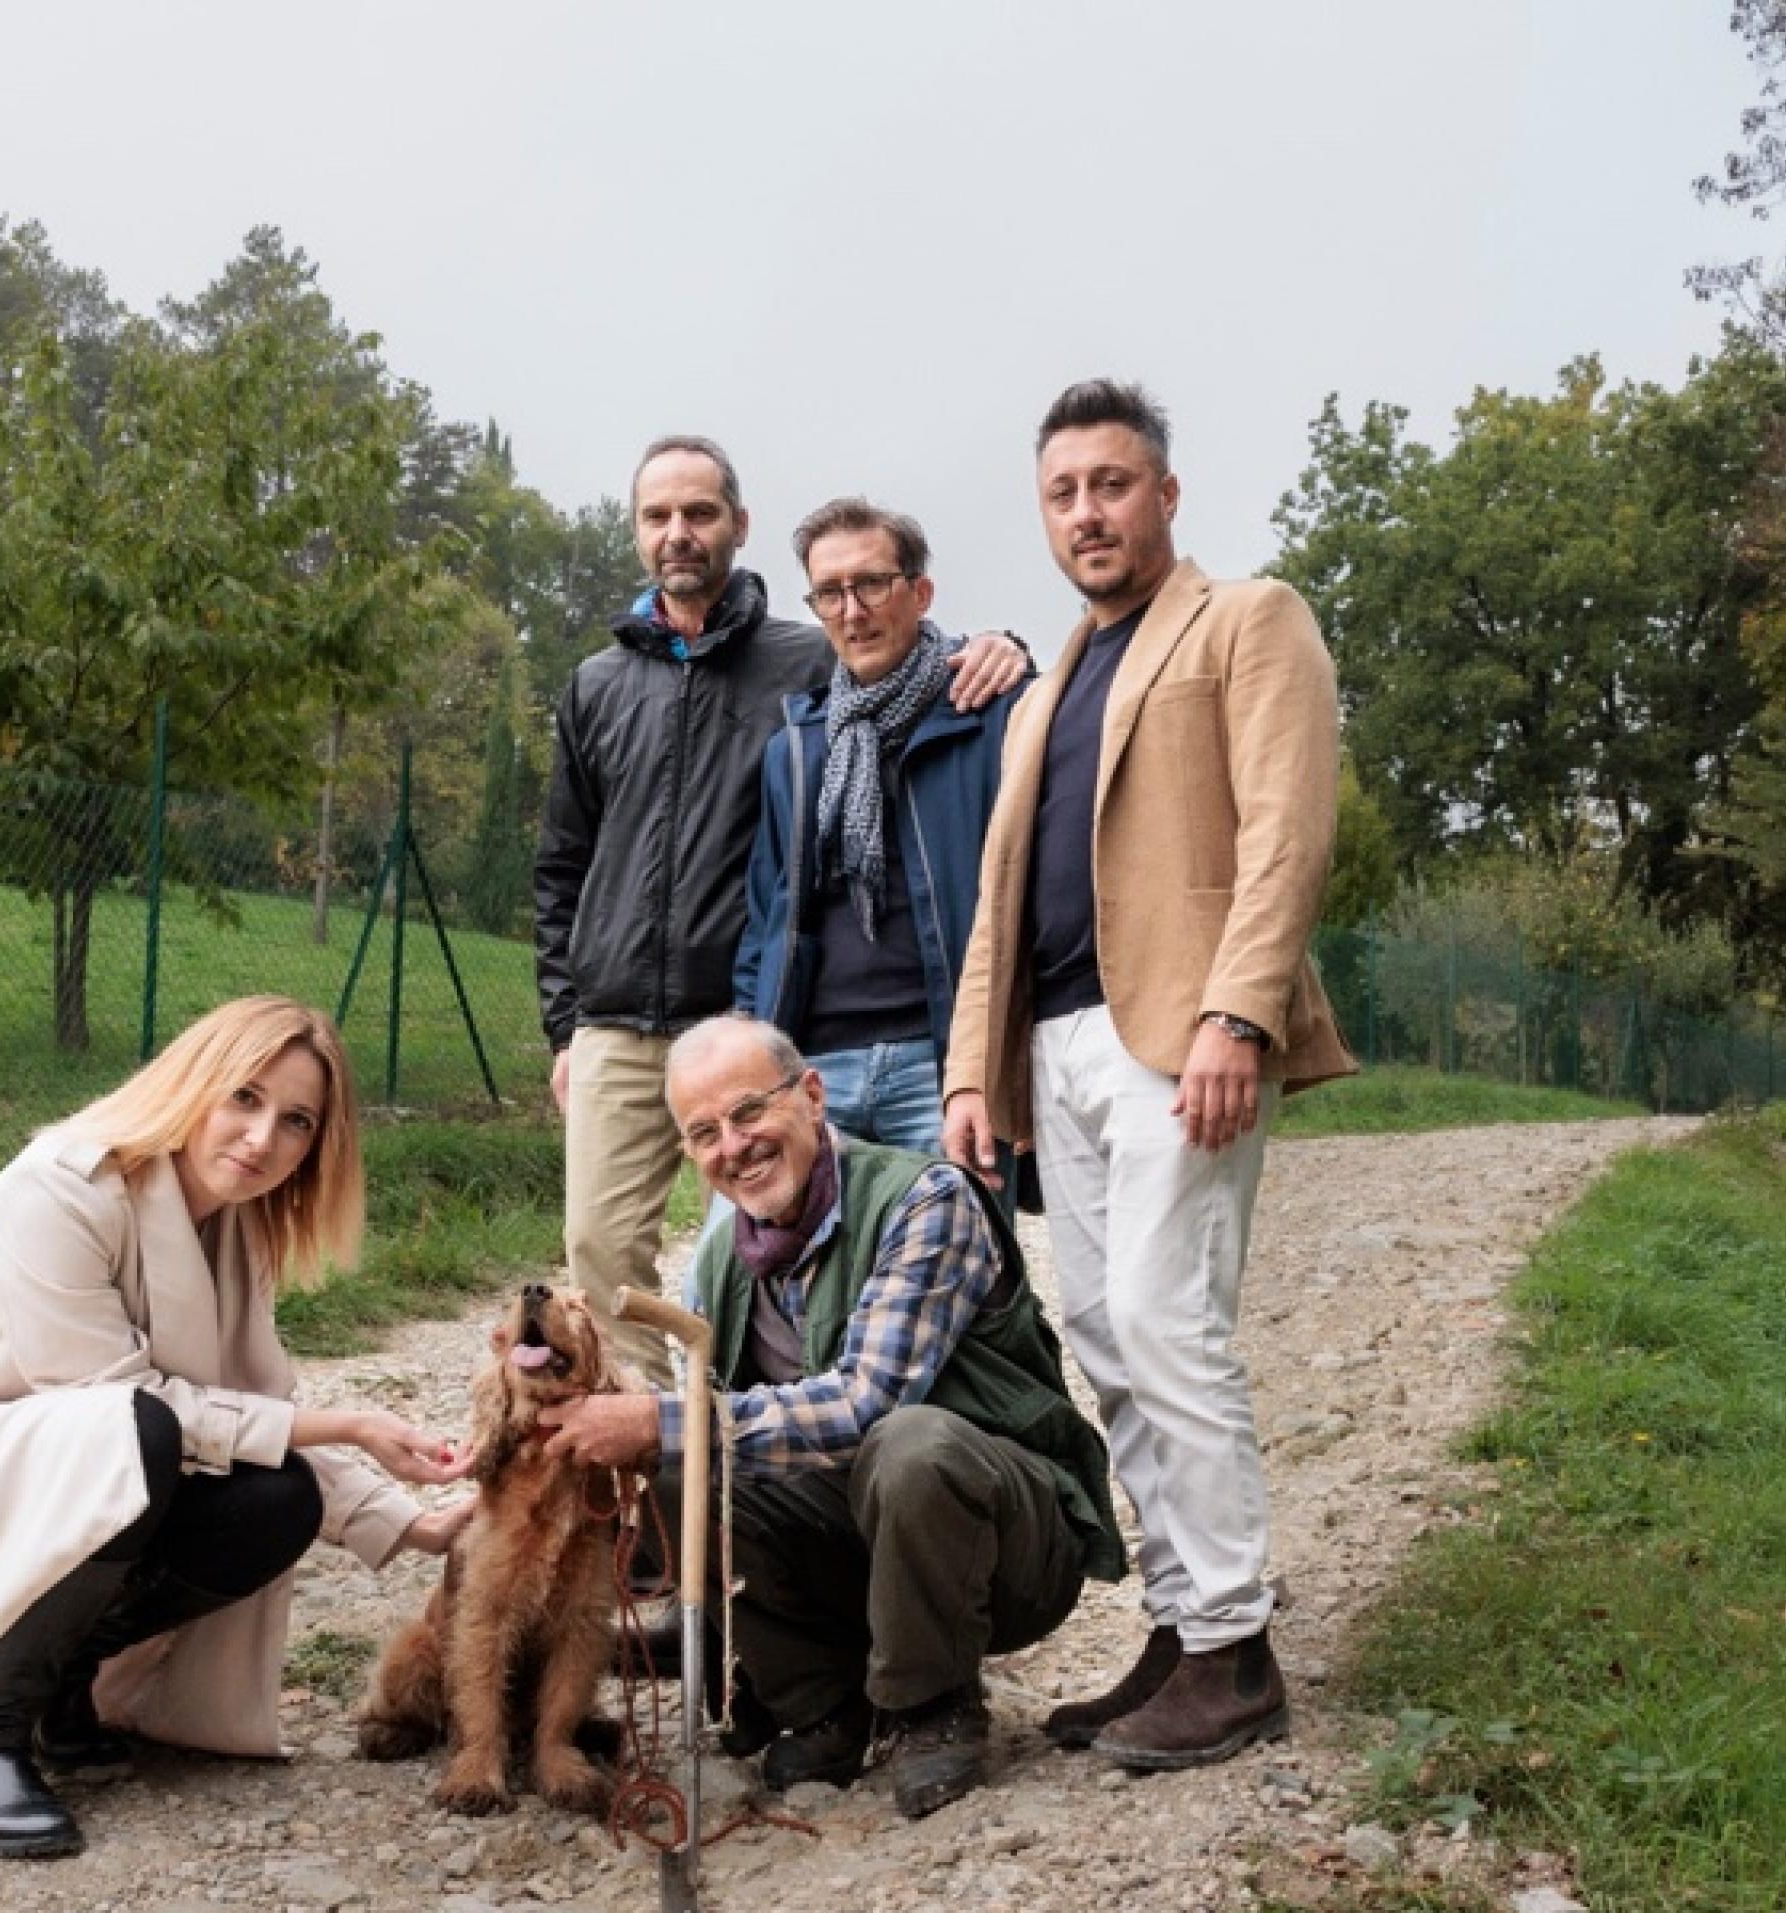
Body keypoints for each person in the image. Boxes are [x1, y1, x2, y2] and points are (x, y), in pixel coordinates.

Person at [942, 380, 1357, 1774]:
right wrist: (969, 1071)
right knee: (1109, 1338)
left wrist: (1240, 1012)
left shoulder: (1248, 619)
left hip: (1179, 1032)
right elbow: (999, 897)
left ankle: (1238, 1650)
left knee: (1168, 1319)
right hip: (1055, 1043)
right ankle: (1183, 1629)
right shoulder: (1049, 681)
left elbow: (1289, 828)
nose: (1086, 513)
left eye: (1111, 485)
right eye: (1063, 493)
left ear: (1164, 495)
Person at [0, 997, 472, 1858]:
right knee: (144, 1434)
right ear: (193, 1084)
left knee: (279, 1498)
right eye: (244, 1097)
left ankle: (63, 1681)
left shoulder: (234, 1226)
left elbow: (252, 1406)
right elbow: (120, 1400)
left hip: (72, 1462)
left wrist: (406, 1520)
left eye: (296, 1121)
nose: (263, 1138)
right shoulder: (61, 1187)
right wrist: (342, 1421)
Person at [543, 1016, 1126, 1820]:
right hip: (858, 1540)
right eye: (705, 1133)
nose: (734, 1147)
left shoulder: (925, 1199)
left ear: (812, 1096)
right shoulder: (720, 1264)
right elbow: (711, 1449)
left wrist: (660, 1420)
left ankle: (934, 1701)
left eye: (749, 1112)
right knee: (684, 1467)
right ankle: (825, 1701)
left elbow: (865, 1405)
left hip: (1006, 1544)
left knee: (907, 1443)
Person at [534, 437, 1027, 1387]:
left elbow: (906, 653)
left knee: (770, 1254)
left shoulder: (803, 662)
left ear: (738, 526)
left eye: (700, 514)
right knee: (601, 1255)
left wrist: (1002, 645)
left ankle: (839, 1451)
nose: (679, 534)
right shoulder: (597, 684)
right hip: (615, 1023)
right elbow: (561, 863)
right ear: (637, 532)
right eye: (658, 517)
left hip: (746, 1027)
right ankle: (657, 1472)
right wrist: (564, 1017)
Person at [737, 498, 1023, 1156]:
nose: (852, 611)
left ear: (919, 592)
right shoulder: (798, 747)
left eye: (870, 584)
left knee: (957, 1258)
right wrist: (756, 1058)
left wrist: (1011, 647)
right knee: (760, 1260)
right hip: (813, 1070)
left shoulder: (984, 713)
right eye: (830, 593)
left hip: (944, 1065)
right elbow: (763, 923)